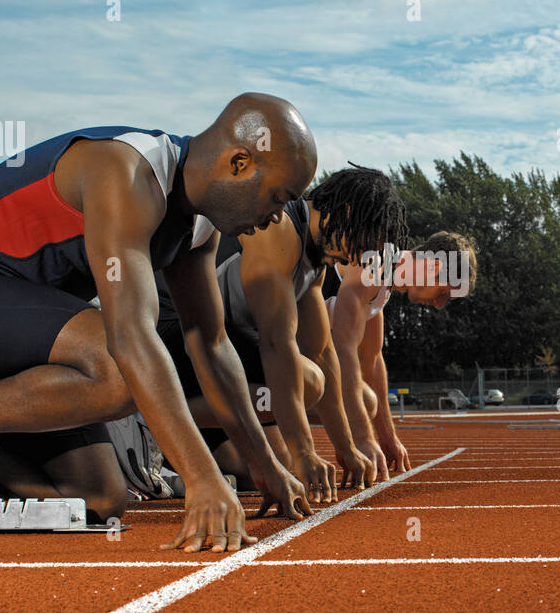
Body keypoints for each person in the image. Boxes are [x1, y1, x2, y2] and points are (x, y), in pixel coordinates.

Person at [0, 93, 313, 551]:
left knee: (94, 501)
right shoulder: (127, 169)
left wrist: (265, 465)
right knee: (118, 370)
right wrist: (201, 477)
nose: (276, 216)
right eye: (279, 197)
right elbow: (131, 336)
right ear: (238, 162)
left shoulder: (199, 228)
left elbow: (211, 346)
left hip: (4, 325)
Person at [156, 166, 409, 506]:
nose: (355, 259)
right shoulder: (280, 232)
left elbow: (321, 351)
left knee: (258, 469)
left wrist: (346, 447)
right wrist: (305, 452)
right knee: (308, 384)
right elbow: (277, 347)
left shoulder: (314, 261)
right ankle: (151, 416)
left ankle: (180, 433)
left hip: (222, 348)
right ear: (347, 214)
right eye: (362, 244)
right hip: (174, 331)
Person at [323, 232, 477, 480]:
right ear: (435, 266)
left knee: (367, 399)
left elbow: (371, 361)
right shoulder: (377, 265)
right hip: (261, 350)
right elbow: (345, 351)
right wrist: (357, 440)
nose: (439, 304)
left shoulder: (384, 287)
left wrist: (388, 437)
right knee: (362, 398)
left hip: (275, 357)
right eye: (443, 293)